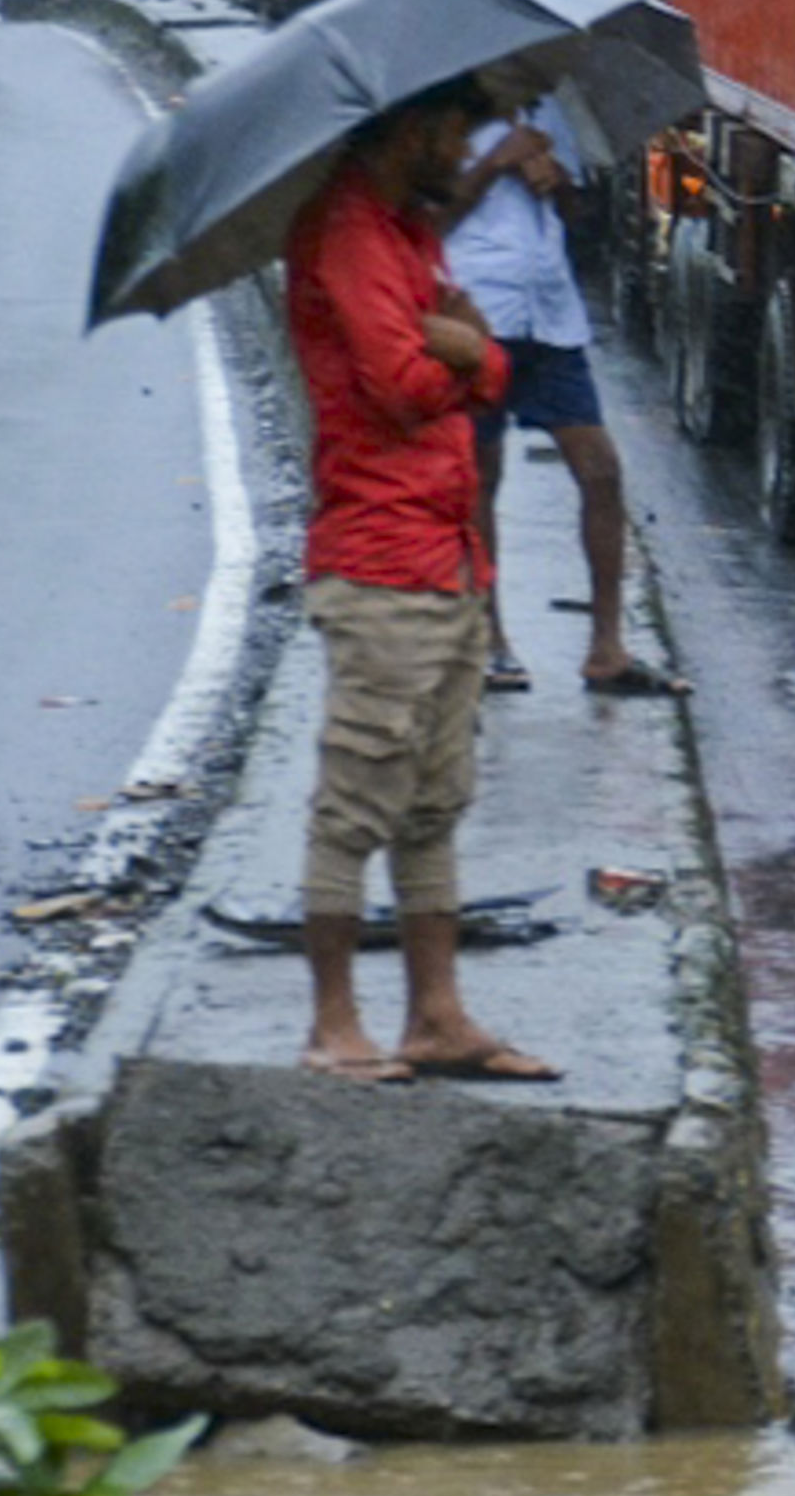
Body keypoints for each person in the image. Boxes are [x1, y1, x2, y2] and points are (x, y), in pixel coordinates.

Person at [280, 78, 559, 1086]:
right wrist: (469, 356)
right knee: (357, 800)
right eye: (455, 132)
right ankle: (333, 1026)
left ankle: (435, 1017)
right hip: (382, 560)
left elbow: (486, 366)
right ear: (410, 129)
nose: (466, 150)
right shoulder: (349, 234)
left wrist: (471, 354)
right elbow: (401, 388)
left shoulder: (411, 234)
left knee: (434, 803)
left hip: (447, 555)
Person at [443, 93, 666, 694]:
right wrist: (494, 162)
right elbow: (426, 220)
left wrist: (560, 184)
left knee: (601, 472)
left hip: (550, 314)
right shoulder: (443, 115)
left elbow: (580, 217)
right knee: (480, 476)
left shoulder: (550, 112)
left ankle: (607, 647)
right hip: (477, 310)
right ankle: (489, 639)